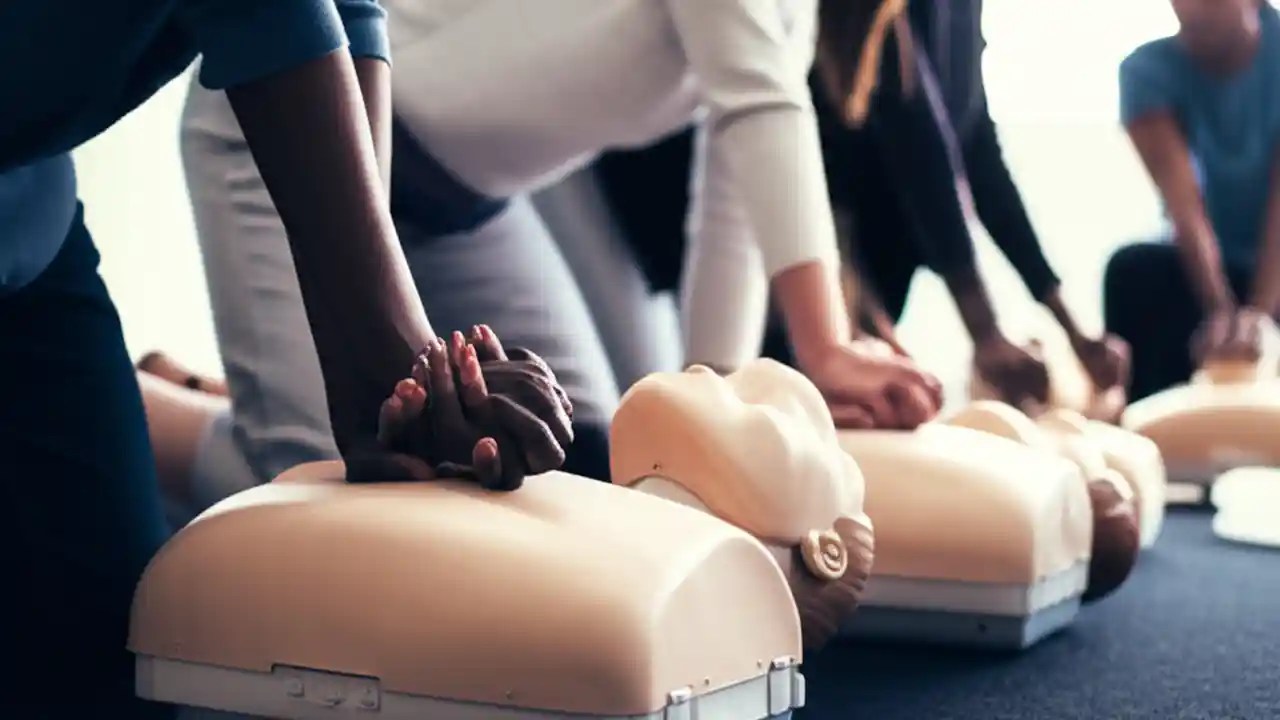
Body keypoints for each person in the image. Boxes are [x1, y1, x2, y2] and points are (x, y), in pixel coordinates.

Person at [0, 2, 567, 714]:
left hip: (28, 225)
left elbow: (351, 12)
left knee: (109, 654)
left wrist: (401, 375)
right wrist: (390, 350)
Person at [596, 0, 1130, 412]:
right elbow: (903, 131)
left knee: (737, 407)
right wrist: (837, 328)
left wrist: (1067, 322)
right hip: (672, 191)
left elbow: (971, 144)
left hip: (792, 233)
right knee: (644, 406)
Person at [1108, 0, 1280, 401]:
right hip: (1208, 269)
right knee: (1131, 271)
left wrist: (1258, 313)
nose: (1194, 10)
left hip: (1274, 266)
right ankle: (1148, 427)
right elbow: (1185, 207)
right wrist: (1220, 312)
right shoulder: (1145, 71)